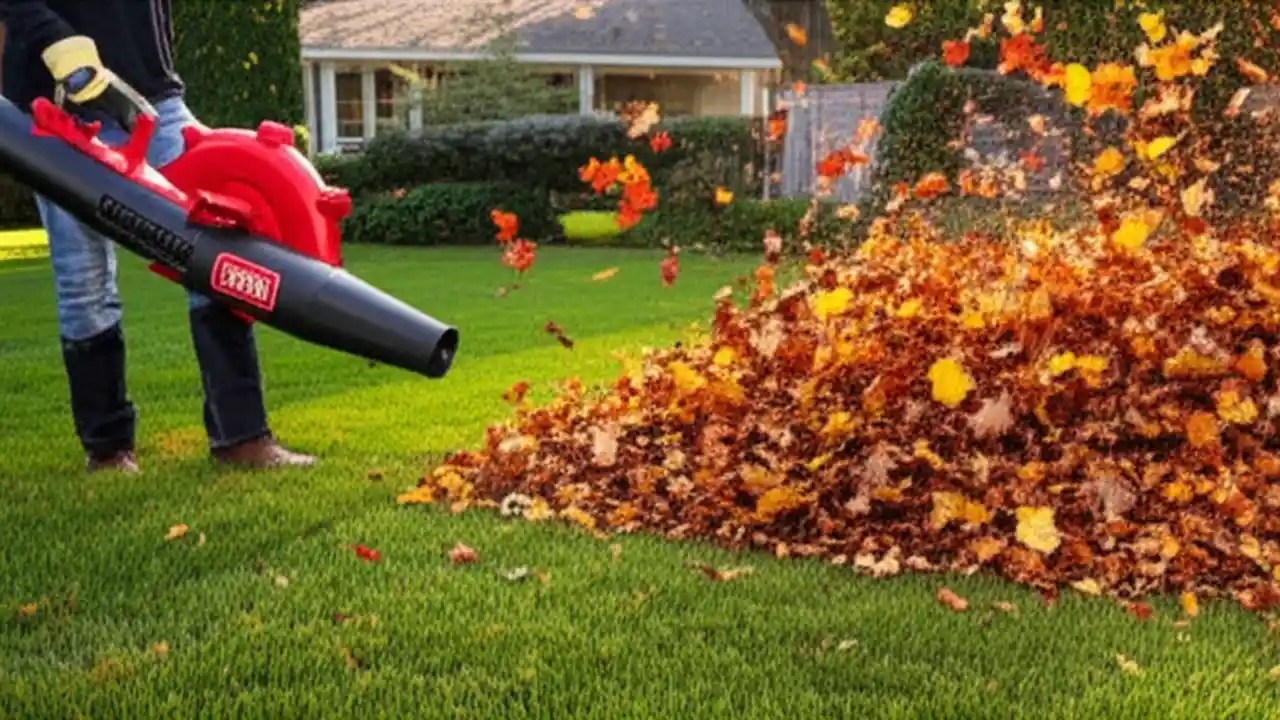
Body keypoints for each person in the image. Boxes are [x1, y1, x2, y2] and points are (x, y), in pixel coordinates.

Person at [1, 0, 315, 473]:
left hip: (152, 98)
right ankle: (108, 450)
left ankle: (242, 436)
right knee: (83, 283)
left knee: (217, 257)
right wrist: (56, 39)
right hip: (56, 104)